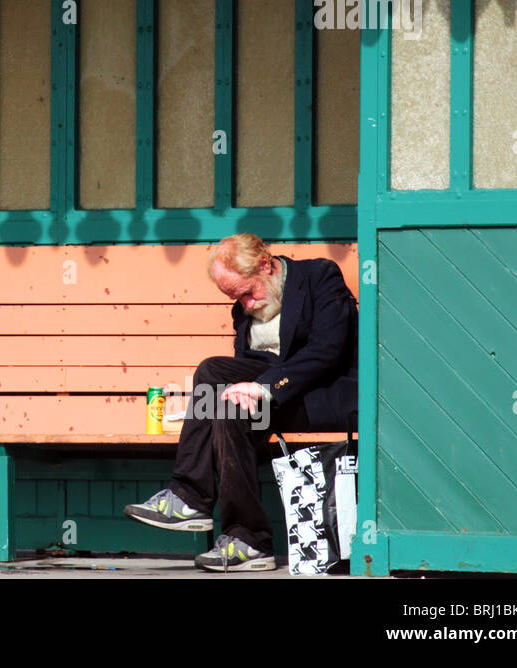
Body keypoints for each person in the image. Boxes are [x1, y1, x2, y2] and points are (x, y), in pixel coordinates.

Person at [123, 233, 358, 571]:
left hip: (322, 393)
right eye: (236, 297)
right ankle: (240, 536)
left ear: (266, 265)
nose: (246, 304)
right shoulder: (244, 309)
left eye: (248, 292)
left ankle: (202, 504)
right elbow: (241, 370)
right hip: (275, 398)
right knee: (215, 379)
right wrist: (230, 400)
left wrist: (264, 388)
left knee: (224, 397)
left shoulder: (319, 276)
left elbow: (327, 351)